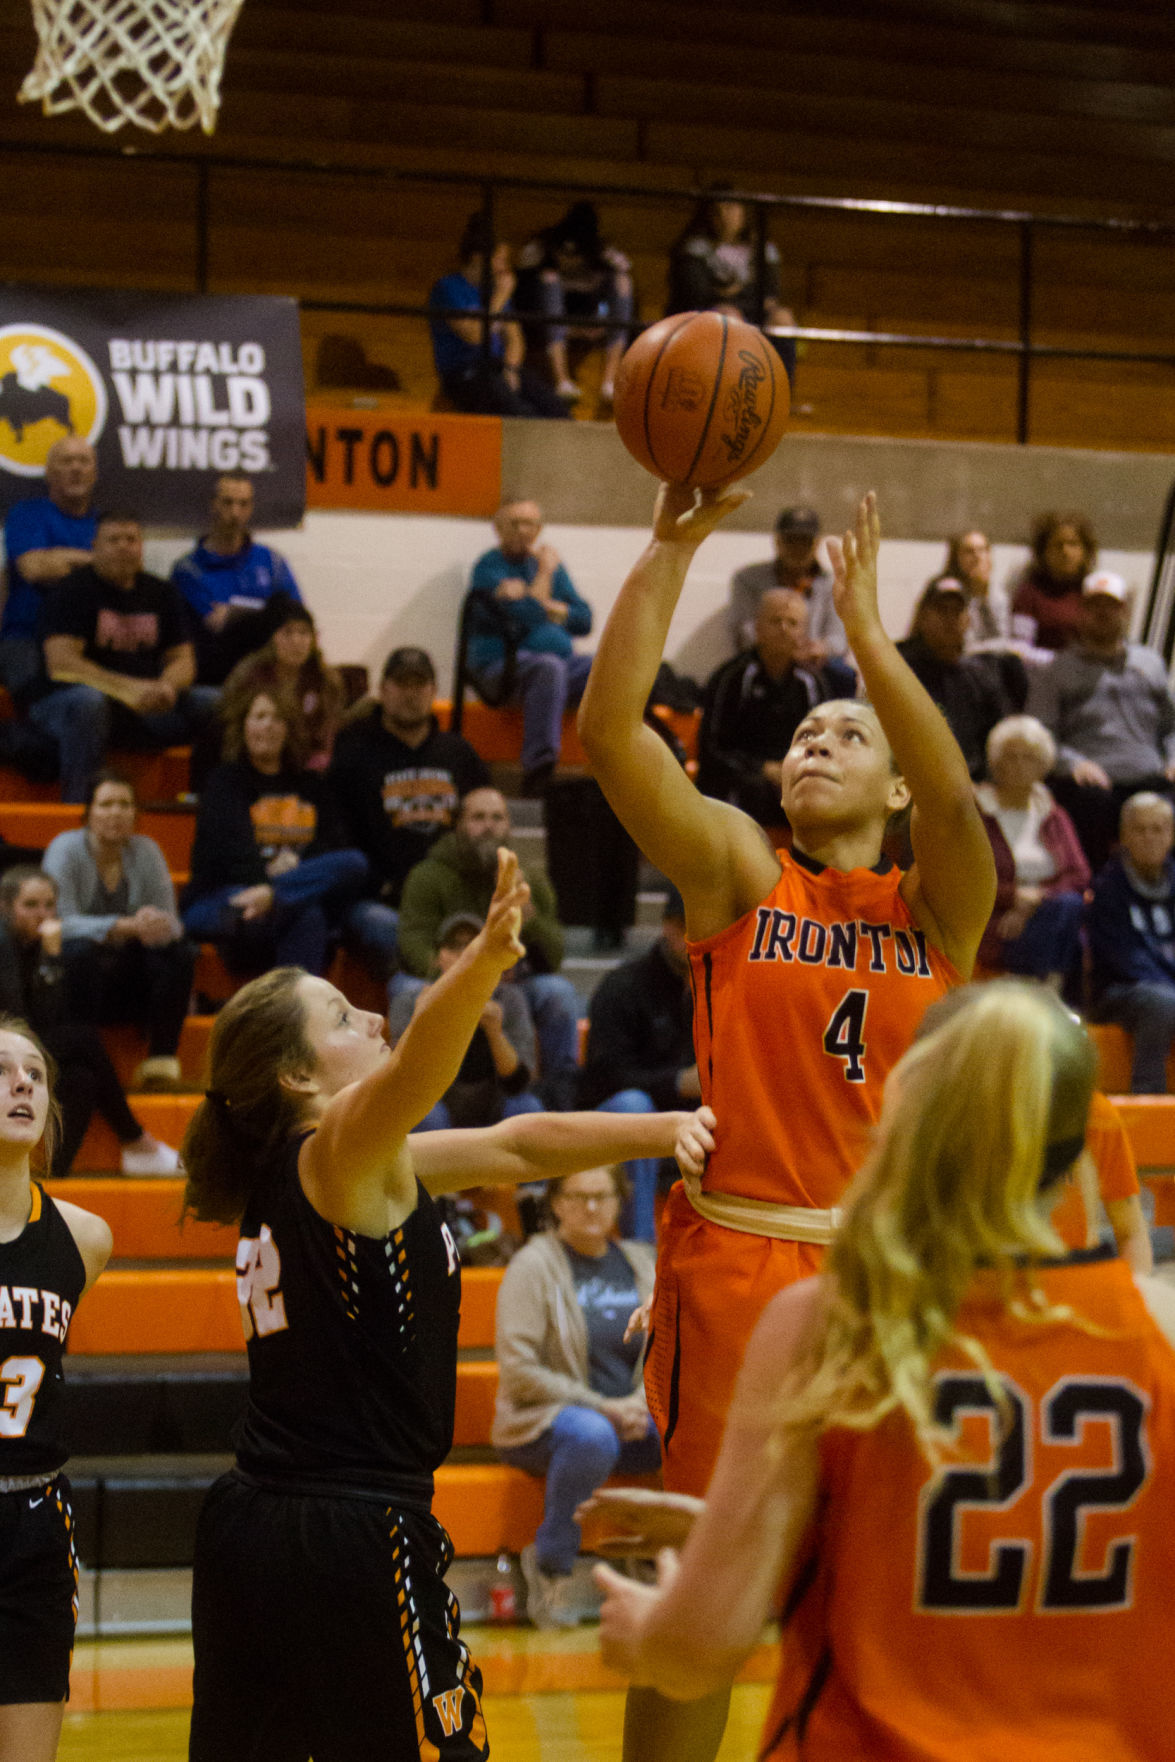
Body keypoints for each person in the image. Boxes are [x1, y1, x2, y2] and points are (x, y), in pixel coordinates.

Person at [579, 487, 994, 1762]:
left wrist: (870, 642)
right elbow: (608, 736)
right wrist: (672, 544)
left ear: (887, 772)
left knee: (882, 1595)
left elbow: (953, 793)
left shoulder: (938, 902)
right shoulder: (740, 871)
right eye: (803, 732)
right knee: (707, 1596)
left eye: (844, 734)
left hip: (887, 1278)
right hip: (741, 1264)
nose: (814, 742)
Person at [179, 849, 692, 1762]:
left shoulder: (352, 1164)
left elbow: (517, 1145)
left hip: (257, 1523)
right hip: (350, 1528)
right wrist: (485, 962)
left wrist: (680, 1129)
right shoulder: (335, 1147)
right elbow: (419, 1065)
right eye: (340, 1016)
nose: (369, 1013)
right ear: (298, 1077)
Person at [590, 984, 1175, 1762]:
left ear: (908, 1117)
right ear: (1077, 1137)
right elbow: (1021, 1535)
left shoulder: (827, 1322)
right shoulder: (1159, 1327)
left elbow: (701, 1650)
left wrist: (646, 1629)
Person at [0, 1014, 112, 1762]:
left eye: (35, 1074)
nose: (22, 1085)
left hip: (37, 1515)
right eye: (3, 1071)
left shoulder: (85, 1236)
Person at [493, 1162, 659, 1629]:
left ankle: (654, 1558)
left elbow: (671, 1349)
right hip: (543, 1421)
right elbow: (520, 1371)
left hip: (630, 1416)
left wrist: (642, 1405)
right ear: (556, 1204)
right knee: (592, 1435)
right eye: (578, 1196)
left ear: (619, 1202)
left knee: (690, 1426)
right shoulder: (532, 1265)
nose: (591, 1207)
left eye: (602, 1196)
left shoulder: (643, 1263)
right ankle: (550, 1565)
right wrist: (605, 1407)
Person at [398, 787, 581, 1110]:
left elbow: (554, 956)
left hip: (513, 985)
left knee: (560, 992)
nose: (489, 826)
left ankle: (559, 1103)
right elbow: (413, 944)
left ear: (509, 826)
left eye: (497, 818)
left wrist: (529, 916)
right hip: (448, 980)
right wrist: (461, 971)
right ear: (459, 825)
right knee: (405, 988)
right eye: (478, 817)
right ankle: (411, 1100)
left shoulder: (530, 878)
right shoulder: (429, 875)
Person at [0, 867, 180, 1176]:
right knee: (83, 1039)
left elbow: (45, 1015)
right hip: (8, 1045)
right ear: (5, 907)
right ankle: (135, 1138)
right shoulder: (2, 942)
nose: (42, 914)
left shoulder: (35, 944)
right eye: (30, 905)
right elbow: (18, 1022)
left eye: (48, 905)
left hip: (14, 1046)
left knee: (82, 1079)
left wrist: (51, 958)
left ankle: (48, 1180)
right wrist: (52, 961)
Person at [30, 511, 218, 802]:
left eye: (131, 539)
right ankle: (80, 813)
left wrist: (166, 686)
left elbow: (183, 659)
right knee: (88, 704)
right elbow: (62, 665)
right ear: (94, 547)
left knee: (216, 702)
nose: (123, 546)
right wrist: (128, 689)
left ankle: (205, 804)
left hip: (144, 704)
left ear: (141, 547)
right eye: (113, 539)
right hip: (69, 702)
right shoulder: (72, 591)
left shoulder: (162, 593)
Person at [329, 646, 490, 981]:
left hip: (449, 903)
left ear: (433, 691)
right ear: (383, 690)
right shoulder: (353, 754)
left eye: (420, 685)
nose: (411, 694)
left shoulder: (458, 754)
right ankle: (443, 976)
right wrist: (379, 883)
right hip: (381, 902)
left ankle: (437, 975)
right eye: (401, 684)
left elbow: (485, 823)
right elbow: (337, 835)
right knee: (377, 924)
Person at [182, 688, 368, 979]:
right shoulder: (224, 782)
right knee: (308, 915)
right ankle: (295, 1016)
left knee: (354, 862)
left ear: (289, 730)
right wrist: (277, 880)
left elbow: (334, 845)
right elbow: (233, 854)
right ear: (244, 726)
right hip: (223, 896)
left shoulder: (312, 786)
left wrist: (282, 882)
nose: (268, 725)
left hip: (278, 895)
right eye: (260, 717)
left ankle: (287, 1011)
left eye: (277, 719)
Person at [42, 772, 197, 1093]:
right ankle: (82, 1061)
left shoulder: (147, 850)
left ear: (136, 814)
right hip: (79, 977)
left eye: (125, 805)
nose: (116, 813)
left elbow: (175, 925)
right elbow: (58, 923)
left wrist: (157, 924)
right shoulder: (66, 849)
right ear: (88, 813)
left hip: (128, 976)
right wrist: (122, 926)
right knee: (79, 952)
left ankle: (161, 1063)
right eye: (106, 804)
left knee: (180, 953)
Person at [1028, 569, 1175, 872]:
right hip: (1092, 784)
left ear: (1125, 612)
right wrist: (1073, 764)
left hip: (1151, 778)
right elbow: (1039, 735)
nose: (1103, 614)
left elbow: (1171, 726)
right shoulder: (1058, 670)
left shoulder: (1151, 663)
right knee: (1090, 805)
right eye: (1095, 607)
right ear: (1081, 612)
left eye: (1112, 607)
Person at [578, 890, 697, 1244]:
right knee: (634, 1107)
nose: (694, 935)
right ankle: (642, 1251)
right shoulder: (623, 986)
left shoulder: (727, 984)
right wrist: (677, 1083)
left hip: (695, 1122)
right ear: (667, 927)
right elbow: (603, 1078)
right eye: (684, 925)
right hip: (617, 1117)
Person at [464, 500, 594, 795]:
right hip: (501, 669)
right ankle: (539, 770)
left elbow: (584, 619)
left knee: (607, 666)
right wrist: (546, 578)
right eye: (516, 524)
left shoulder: (547, 568)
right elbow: (528, 615)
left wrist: (546, 602)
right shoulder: (489, 567)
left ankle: (611, 759)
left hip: (558, 669)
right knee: (548, 667)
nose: (525, 531)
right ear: (498, 529)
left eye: (532, 524)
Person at [386, 912, 542, 1131]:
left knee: (526, 1107)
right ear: (439, 956)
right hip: (436, 1102)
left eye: (472, 946)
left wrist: (495, 1032)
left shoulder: (509, 999)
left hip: (493, 1101)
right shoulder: (410, 1001)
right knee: (424, 1114)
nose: (463, 955)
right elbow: (405, 1081)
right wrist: (425, 1023)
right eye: (454, 946)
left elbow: (519, 1084)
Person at [697, 589, 836, 830]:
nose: (783, 628)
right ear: (758, 628)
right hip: (741, 776)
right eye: (775, 621)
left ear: (803, 633)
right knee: (750, 790)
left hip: (792, 774)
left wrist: (793, 770)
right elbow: (712, 748)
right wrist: (763, 769)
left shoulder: (812, 682)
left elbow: (825, 743)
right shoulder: (731, 677)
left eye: (792, 623)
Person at [975, 715, 1090, 994]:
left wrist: (1032, 902)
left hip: (1045, 915)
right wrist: (1012, 896)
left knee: (1070, 906)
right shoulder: (977, 812)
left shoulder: (1051, 812)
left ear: (1043, 765)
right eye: (1010, 756)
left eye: (1028, 757)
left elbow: (1080, 874)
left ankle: (1041, 990)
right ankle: (1047, 992)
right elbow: (965, 880)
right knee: (1067, 913)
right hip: (996, 921)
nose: (1018, 765)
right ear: (995, 762)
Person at [428, 214, 570, 419]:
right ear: (479, 258)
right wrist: (501, 296)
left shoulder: (494, 290)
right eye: (500, 259)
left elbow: (515, 338)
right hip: (464, 373)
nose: (504, 267)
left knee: (556, 411)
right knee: (522, 415)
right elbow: (474, 335)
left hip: (498, 368)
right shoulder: (448, 288)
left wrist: (511, 369)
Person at [170, 472, 302, 686]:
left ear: (251, 508)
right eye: (228, 503)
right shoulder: (188, 570)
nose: (235, 512)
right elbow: (216, 625)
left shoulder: (271, 562)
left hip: (270, 673)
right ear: (214, 505)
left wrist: (236, 612)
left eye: (243, 504)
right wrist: (269, 611)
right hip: (215, 677)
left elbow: (295, 616)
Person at [0, 436, 97, 709]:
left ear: (95, 472)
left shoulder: (106, 525)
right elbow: (34, 569)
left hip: (85, 644)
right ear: (49, 473)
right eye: (67, 461)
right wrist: (93, 561)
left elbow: (121, 573)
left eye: (84, 461)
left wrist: (58, 558)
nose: (76, 468)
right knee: (52, 703)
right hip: (26, 639)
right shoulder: (27, 514)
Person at [1088, 792, 1175, 1094]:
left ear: (1171, 835)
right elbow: (1122, 958)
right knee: (1163, 1001)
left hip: (1164, 985)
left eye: (1158, 829)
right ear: (1124, 836)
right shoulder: (1107, 888)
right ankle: (1149, 1096)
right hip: (1119, 990)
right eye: (1140, 830)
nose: (1149, 837)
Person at [897, 578, 1021, 780]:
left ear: (968, 620)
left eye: (957, 611)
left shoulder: (981, 674)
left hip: (974, 786)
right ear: (923, 617)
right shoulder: (896, 667)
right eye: (942, 610)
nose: (950, 618)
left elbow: (1000, 738)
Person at [666, 189, 796, 380]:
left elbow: (769, 294)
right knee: (728, 317)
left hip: (750, 309)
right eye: (717, 210)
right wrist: (736, 297)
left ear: (743, 212)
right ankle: (729, 390)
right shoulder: (694, 249)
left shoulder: (762, 250)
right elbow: (697, 293)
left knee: (783, 318)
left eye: (731, 208)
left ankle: (782, 389)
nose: (724, 215)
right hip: (705, 314)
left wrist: (732, 294)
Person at [513, 201, 634, 405]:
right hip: (548, 318)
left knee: (623, 282)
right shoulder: (543, 248)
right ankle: (562, 381)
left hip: (589, 314)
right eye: (564, 253)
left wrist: (601, 321)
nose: (568, 260)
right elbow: (521, 280)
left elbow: (624, 267)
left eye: (575, 256)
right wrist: (571, 329)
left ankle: (609, 382)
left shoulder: (602, 252)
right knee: (549, 279)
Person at [220, 600, 345, 770]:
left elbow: (329, 733)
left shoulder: (326, 680)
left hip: (309, 767)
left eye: (304, 633)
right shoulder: (249, 674)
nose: (296, 641)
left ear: (314, 639)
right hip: (255, 763)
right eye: (287, 632)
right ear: (272, 638)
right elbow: (231, 730)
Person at [727, 506, 849, 670]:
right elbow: (742, 630)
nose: (798, 548)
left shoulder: (833, 584)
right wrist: (782, 647)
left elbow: (840, 639)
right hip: (764, 658)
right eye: (791, 540)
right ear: (777, 541)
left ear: (817, 543)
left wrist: (821, 647)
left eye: (805, 541)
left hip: (813, 661)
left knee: (844, 675)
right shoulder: (747, 579)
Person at [1010, 510, 1098, 652]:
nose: (1065, 551)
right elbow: (1020, 648)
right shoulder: (1029, 594)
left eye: (1073, 544)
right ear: (1044, 552)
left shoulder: (1095, 592)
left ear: (1085, 551)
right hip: (1043, 670)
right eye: (1058, 545)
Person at [941, 528, 1009, 647]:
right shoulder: (949, 592)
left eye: (982, 550)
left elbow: (1004, 637)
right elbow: (961, 645)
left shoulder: (997, 594)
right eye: (969, 551)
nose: (977, 557)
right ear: (956, 558)